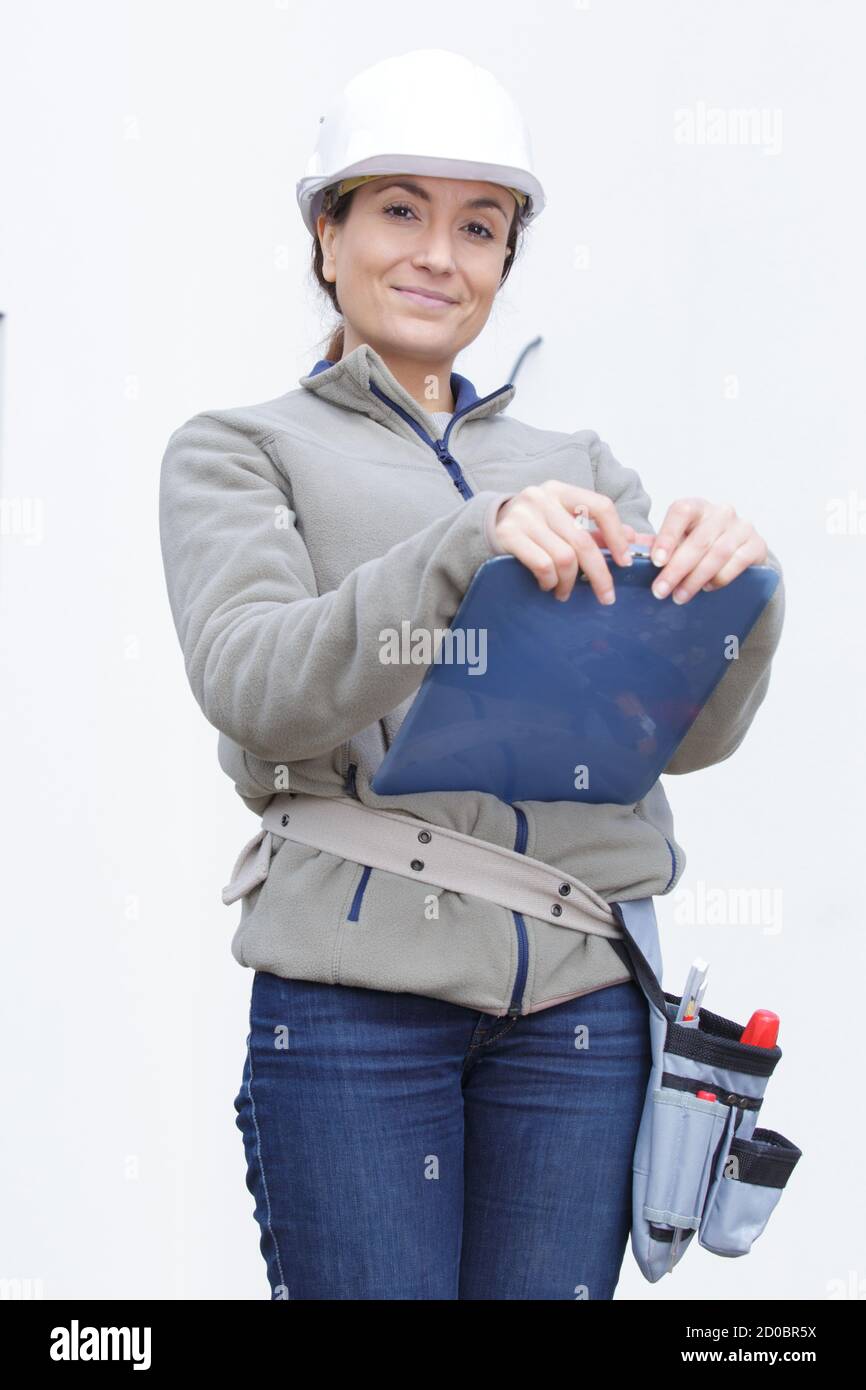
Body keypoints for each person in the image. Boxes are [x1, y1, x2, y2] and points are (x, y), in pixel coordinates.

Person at [158, 49, 786, 1300]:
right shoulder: (238, 451)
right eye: (398, 210)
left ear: (505, 262)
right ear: (324, 233)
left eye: (479, 227)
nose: (439, 254)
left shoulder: (584, 463)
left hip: (584, 1010)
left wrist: (741, 600)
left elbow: (670, 739)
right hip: (354, 1008)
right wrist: (458, 547)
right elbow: (252, 683)